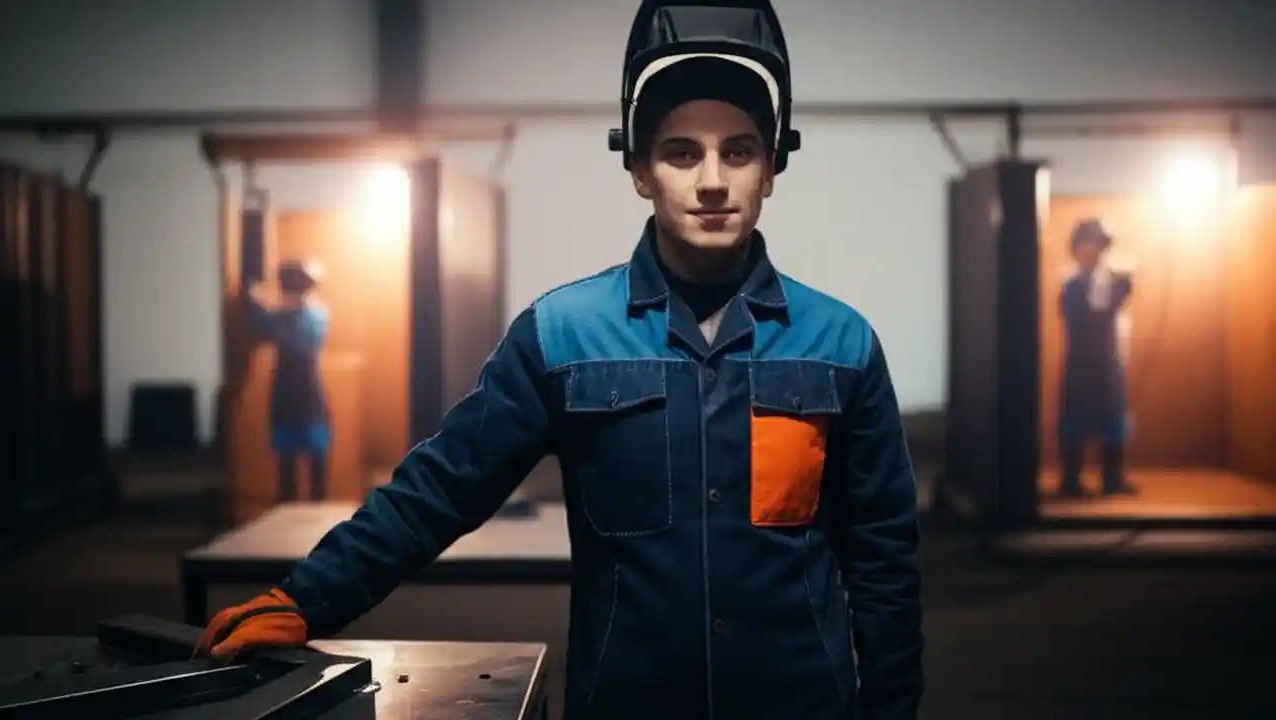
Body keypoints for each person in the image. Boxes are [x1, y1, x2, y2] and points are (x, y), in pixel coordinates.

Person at [195, 3, 922, 718]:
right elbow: (441, 487)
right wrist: (307, 598)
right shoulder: (563, 336)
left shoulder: (840, 345)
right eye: (680, 152)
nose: (711, 180)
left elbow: (883, 559)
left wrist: (892, 709)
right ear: (639, 170)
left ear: (771, 169)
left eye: (738, 151)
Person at [1058, 218, 1137, 497]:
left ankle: (1112, 479)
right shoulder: (1071, 284)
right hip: (1081, 362)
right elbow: (1085, 316)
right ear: (1077, 248)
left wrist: (1118, 283)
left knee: (1114, 420)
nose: (1094, 251)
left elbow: (1117, 301)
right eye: (1088, 243)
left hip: (1109, 362)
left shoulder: (1113, 279)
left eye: (1099, 244)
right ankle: (1070, 481)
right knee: (1075, 423)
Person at [243, 259, 332, 502]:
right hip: (290, 388)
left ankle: (316, 505)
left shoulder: (310, 316)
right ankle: (291, 504)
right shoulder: (303, 315)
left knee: (314, 452)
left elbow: (272, 325)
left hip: (304, 387)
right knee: (288, 455)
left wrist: (256, 300)